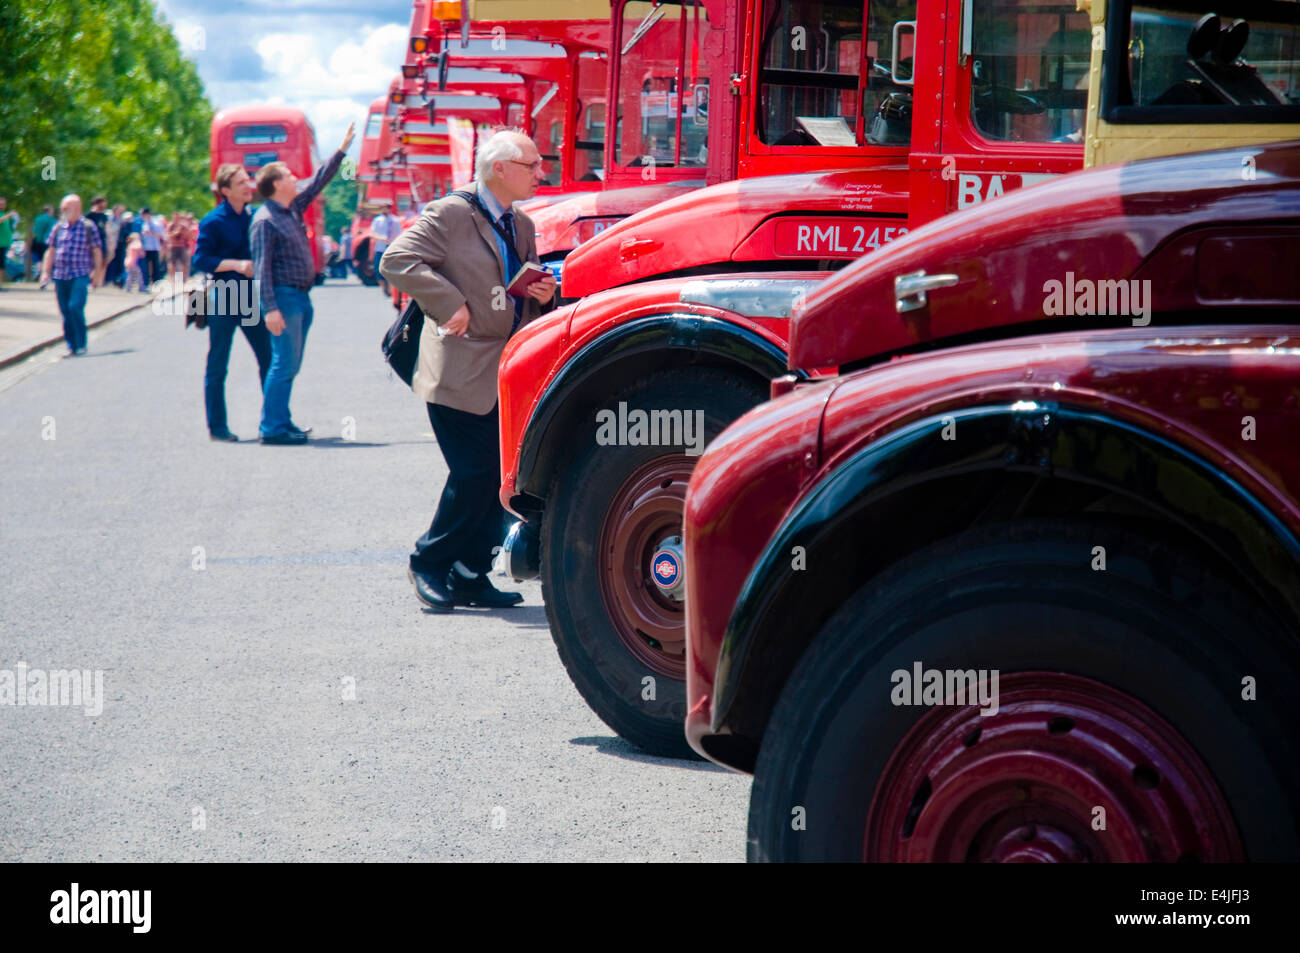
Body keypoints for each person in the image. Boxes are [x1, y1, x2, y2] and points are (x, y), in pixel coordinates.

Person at [380, 130, 557, 612]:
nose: (541, 172)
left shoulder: (520, 223)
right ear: (499, 168)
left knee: (502, 478)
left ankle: (470, 573)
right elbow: (396, 260)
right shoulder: (449, 214)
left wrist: (542, 294)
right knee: (474, 471)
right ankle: (429, 562)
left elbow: (518, 283)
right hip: (456, 369)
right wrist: (449, 303)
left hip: (508, 370)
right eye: (532, 164)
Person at [250, 121, 354, 445]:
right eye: (289, 175)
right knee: (283, 363)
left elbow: (318, 181)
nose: (296, 179)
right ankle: (272, 428)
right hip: (283, 298)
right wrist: (270, 309)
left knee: (290, 364)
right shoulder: (265, 221)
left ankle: (282, 420)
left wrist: (341, 151)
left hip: (299, 297)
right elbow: (261, 269)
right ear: (276, 184)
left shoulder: (291, 208)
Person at [194, 164, 274, 442]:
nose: (247, 185)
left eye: (248, 181)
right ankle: (217, 429)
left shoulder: (254, 217)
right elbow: (200, 260)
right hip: (223, 296)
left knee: (269, 358)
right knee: (218, 365)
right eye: (241, 182)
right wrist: (237, 265)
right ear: (225, 191)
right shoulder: (213, 221)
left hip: (249, 297)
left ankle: (274, 421)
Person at [39, 194, 103, 355]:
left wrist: (97, 274)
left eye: (67, 207)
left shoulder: (88, 226)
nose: (63, 210)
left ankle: (81, 343)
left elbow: (96, 251)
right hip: (60, 275)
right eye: (63, 208)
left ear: (78, 208)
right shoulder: (58, 227)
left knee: (75, 306)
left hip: (80, 273)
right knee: (65, 311)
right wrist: (45, 272)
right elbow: (51, 250)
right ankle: (71, 345)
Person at [369, 204, 395, 297]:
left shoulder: (394, 220)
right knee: (377, 270)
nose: (383, 210)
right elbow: (372, 233)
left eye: (385, 208)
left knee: (390, 270)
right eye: (382, 208)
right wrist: (380, 238)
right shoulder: (377, 220)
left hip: (391, 248)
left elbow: (399, 233)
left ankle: (390, 290)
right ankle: (384, 288)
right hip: (380, 247)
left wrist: (392, 239)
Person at [139, 208, 165, 287]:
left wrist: (152, 233)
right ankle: (145, 283)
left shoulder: (157, 223)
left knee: (155, 266)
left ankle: (155, 283)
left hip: (154, 247)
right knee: (145, 266)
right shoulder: (143, 224)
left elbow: (162, 235)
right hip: (145, 247)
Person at [30, 205, 57, 277]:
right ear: (50, 211)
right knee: (48, 257)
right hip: (48, 242)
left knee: (39, 258)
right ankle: (46, 274)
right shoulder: (53, 220)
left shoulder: (37, 219)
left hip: (37, 240)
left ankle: (39, 271)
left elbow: (34, 231)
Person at [104, 203, 126, 286]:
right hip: (110, 243)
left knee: (119, 262)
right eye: (119, 210)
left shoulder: (122, 220)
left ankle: (116, 280)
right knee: (109, 261)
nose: (121, 212)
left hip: (119, 243)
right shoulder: (110, 218)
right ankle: (107, 279)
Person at [0, 197, 18, 285]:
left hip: (4, 244)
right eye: (1, 204)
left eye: (3, 204)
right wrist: (8, 215)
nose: (2, 206)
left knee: (2, 264)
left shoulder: (3, 214)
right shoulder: (4, 215)